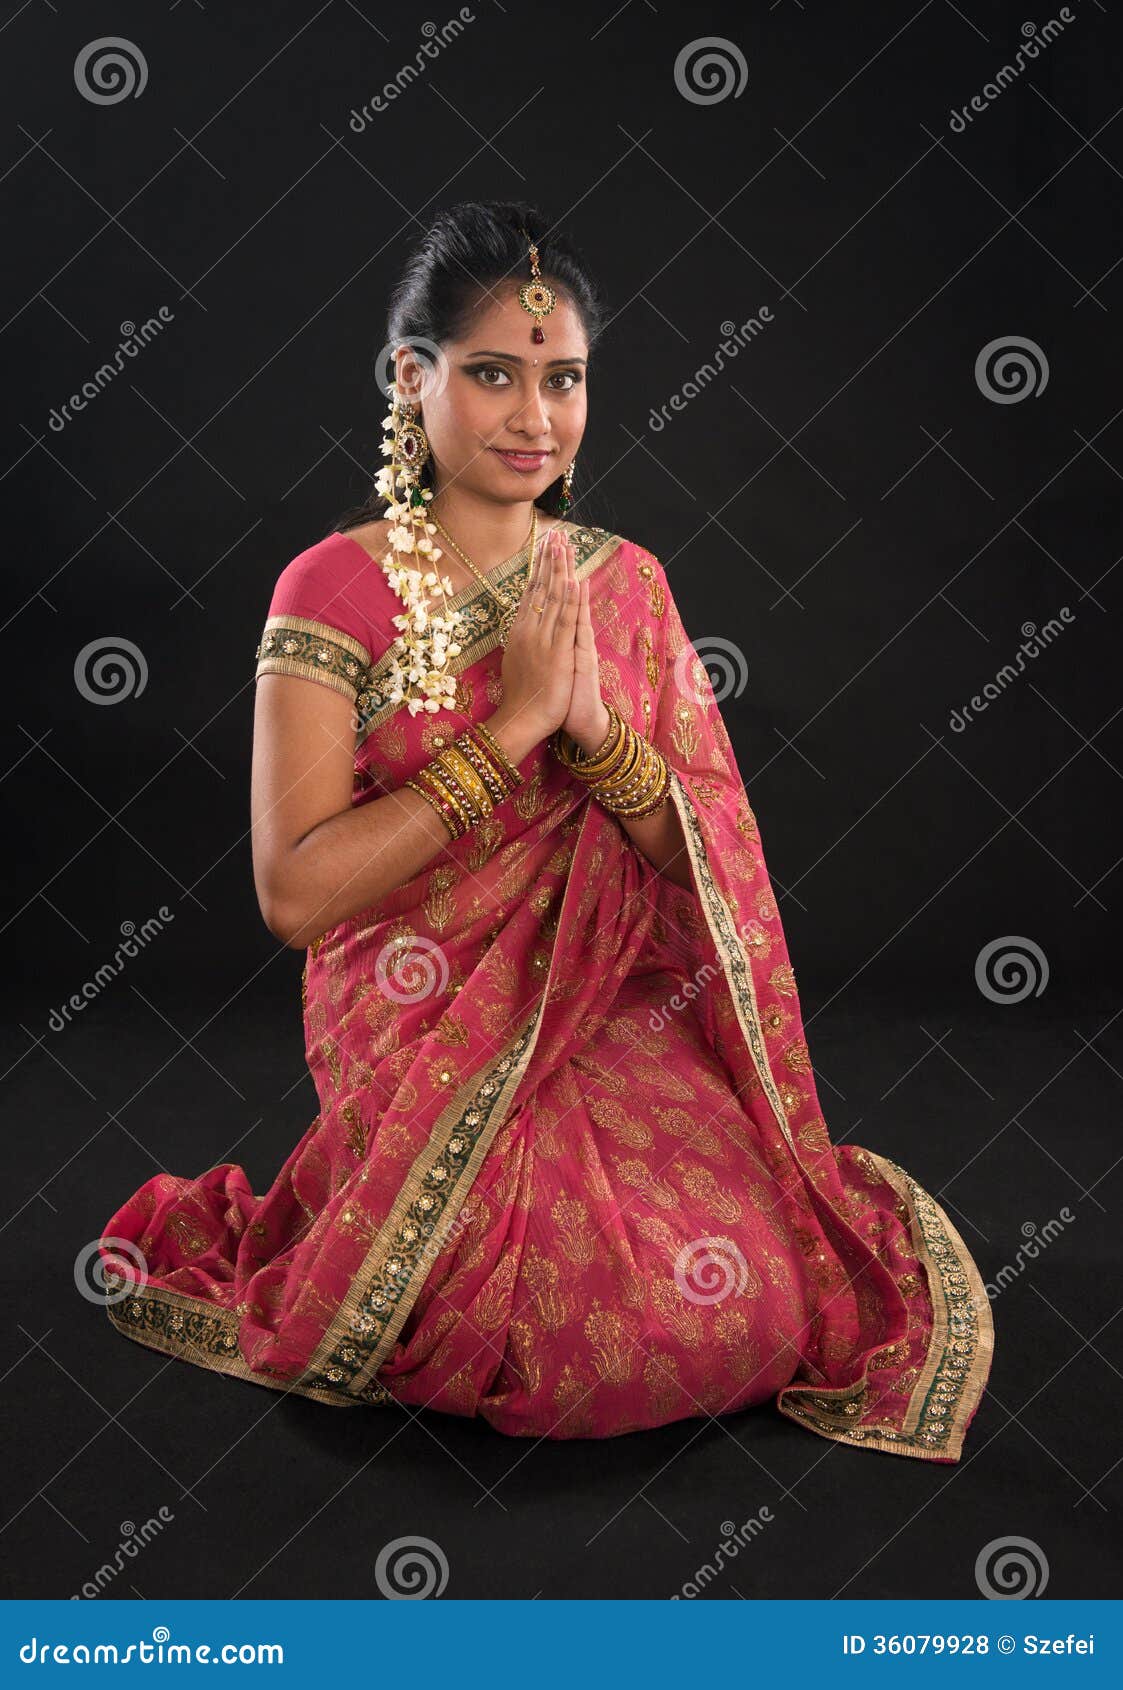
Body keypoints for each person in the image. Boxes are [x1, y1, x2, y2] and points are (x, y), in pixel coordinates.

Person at [98, 201, 994, 1459]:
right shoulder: (332, 587)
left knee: (752, 1295)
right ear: (411, 379)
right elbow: (296, 898)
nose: (535, 417)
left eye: (562, 379)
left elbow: (710, 871)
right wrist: (511, 730)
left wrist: (603, 745)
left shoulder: (621, 583)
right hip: (417, 1015)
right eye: (492, 375)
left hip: (606, 1001)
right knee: (552, 1331)